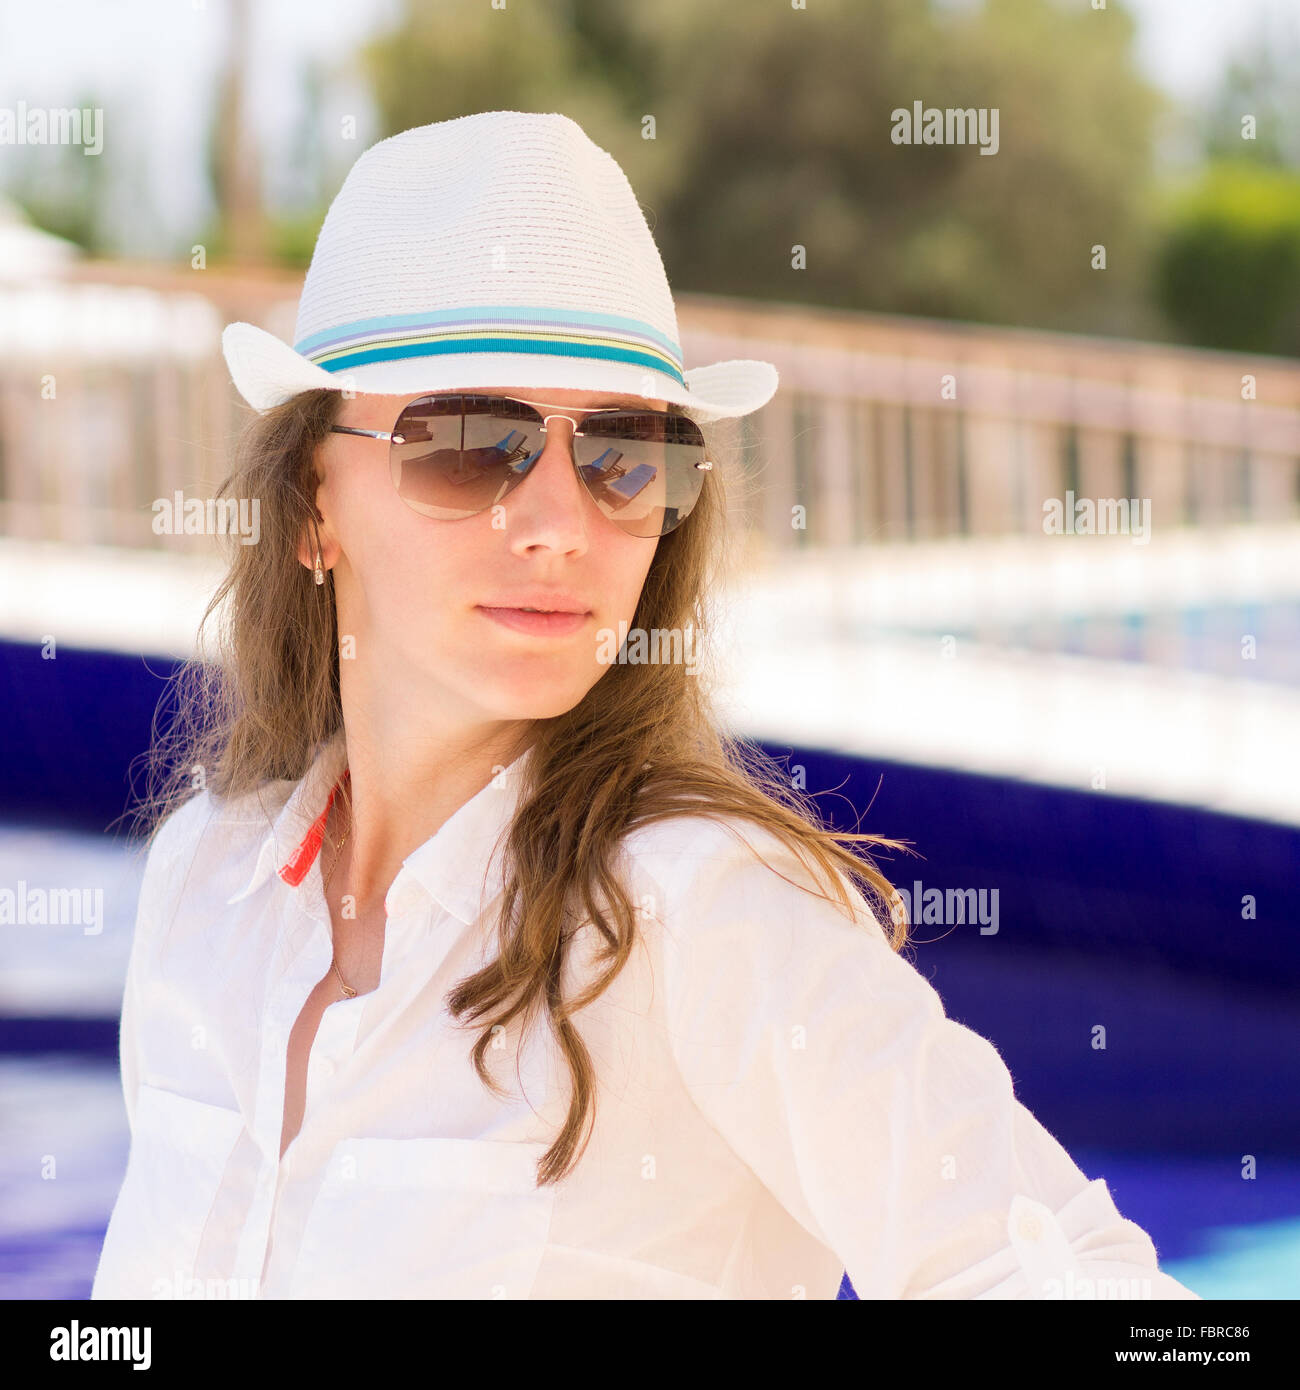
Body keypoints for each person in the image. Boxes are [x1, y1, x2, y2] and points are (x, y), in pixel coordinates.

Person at [90, 110, 1199, 1301]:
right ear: (314, 506)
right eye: (471, 443)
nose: (563, 525)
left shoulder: (697, 910)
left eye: (627, 456)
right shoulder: (206, 882)